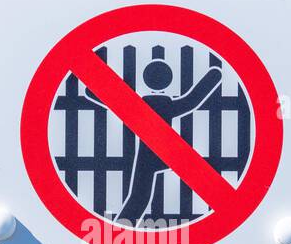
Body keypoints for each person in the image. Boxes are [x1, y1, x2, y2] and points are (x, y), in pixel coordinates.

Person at [86, 58, 222, 225]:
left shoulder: (137, 107)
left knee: (138, 197)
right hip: (168, 152)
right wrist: (214, 76)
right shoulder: (165, 105)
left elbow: (113, 101)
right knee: (202, 179)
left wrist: (91, 86)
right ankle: (225, 200)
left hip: (148, 156)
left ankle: (121, 232)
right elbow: (191, 101)